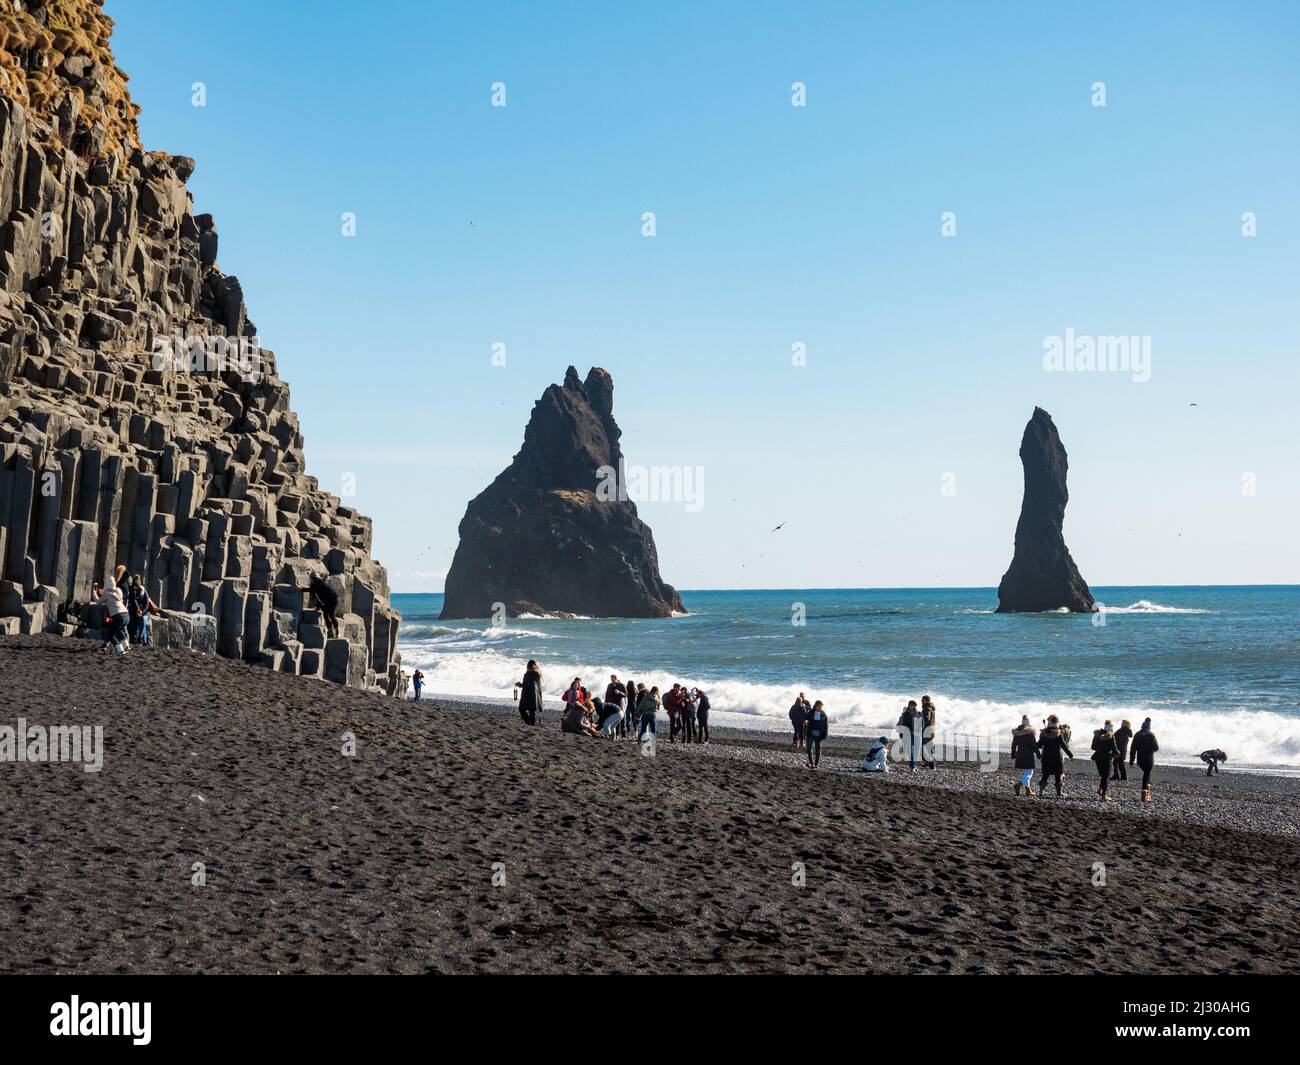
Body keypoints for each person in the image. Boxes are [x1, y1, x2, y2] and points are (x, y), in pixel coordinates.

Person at [1035, 714, 1074, 797]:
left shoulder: (1044, 733)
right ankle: (1059, 793)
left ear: (1050, 723)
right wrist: (1071, 755)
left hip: (1046, 757)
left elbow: (1039, 745)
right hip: (1057, 758)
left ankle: (1041, 792)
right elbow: (1064, 746)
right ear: (1057, 723)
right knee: (1058, 775)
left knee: (1045, 775)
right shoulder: (1059, 734)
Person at [94, 576, 130, 658]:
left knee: (111, 634)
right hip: (126, 615)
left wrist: (94, 593)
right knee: (119, 630)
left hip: (118, 616)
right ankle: (126, 646)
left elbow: (98, 601)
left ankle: (120, 650)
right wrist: (103, 593)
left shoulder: (106, 593)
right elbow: (112, 595)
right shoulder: (118, 590)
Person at [126, 574, 160, 646]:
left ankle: (140, 638)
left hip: (145, 612)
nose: (135, 588)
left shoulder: (143, 591)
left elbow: (147, 604)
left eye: (136, 587)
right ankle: (138, 639)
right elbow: (133, 602)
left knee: (143, 621)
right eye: (134, 587)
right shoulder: (132, 591)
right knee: (132, 620)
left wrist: (142, 612)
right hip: (135, 612)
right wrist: (137, 610)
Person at [1130, 717, 1159, 802]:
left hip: (1140, 759)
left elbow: (1133, 749)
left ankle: (1147, 794)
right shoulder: (1151, 734)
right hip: (1149, 758)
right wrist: (1151, 749)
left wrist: (1131, 760)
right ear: (1149, 727)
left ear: (1142, 726)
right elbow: (1156, 747)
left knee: (1147, 773)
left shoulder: (1137, 734)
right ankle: (1144, 795)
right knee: (1147, 774)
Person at [1091, 721, 1119, 800]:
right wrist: (1118, 753)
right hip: (1107, 758)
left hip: (1098, 757)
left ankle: (1100, 790)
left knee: (1103, 775)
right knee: (1106, 776)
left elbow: (1093, 747)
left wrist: (1100, 748)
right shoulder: (1111, 736)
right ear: (1111, 728)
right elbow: (1115, 749)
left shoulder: (1097, 734)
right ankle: (1104, 795)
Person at [1010, 716, 1037, 796]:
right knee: (1029, 773)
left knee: (1026, 772)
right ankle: (1018, 785)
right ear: (1029, 722)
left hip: (1020, 755)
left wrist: (1013, 754)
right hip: (1028, 756)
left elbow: (1014, 745)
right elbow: (1034, 746)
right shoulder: (1030, 733)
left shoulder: (1017, 732)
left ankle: (1028, 790)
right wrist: (1039, 755)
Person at [897, 700, 923, 772]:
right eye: (911, 705)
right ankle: (912, 765)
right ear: (909, 705)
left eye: (914, 705)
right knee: (912, 749)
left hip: (917, 734)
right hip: (908, 734)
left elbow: (921, 723)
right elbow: (905, 725)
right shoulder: (905, 715)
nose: (912, 706)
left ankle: (913, 762)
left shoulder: (918, 713)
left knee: (917, 749)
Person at [514, 660, 543, 725]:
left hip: (527, 695)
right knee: (531, 710)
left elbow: (526, 685)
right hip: (534, 695)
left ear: (528, 666)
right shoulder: (537, 674)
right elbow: (538, 686)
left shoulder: (527, 674)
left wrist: (519, 684)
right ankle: (532, 724)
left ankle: (529, 722)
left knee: (521, 709)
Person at [805, 700, 829, 768]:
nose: (820, 707)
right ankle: (811, 762)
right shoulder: (811, 712)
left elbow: (826, 725)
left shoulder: (823, 714)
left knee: (818, 749)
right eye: (819, 706)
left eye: (821, 706)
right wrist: (806, 721)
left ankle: (816, 764)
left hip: (819, 735)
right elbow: (805, 718)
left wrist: (825, 734)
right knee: (809, 748)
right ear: (815, 706)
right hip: (810, 733)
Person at [920, 694, 938, 769]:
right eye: (921, 700)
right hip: (932, 730)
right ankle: (928, 762)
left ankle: (930, 763)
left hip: (927, 730)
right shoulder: (931, 707)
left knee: (921, 747)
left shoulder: (927, 708)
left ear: (927, 701)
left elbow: (926, 718)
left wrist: (920, 718)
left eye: (923, 700)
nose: (922, 702)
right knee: (928, 747)